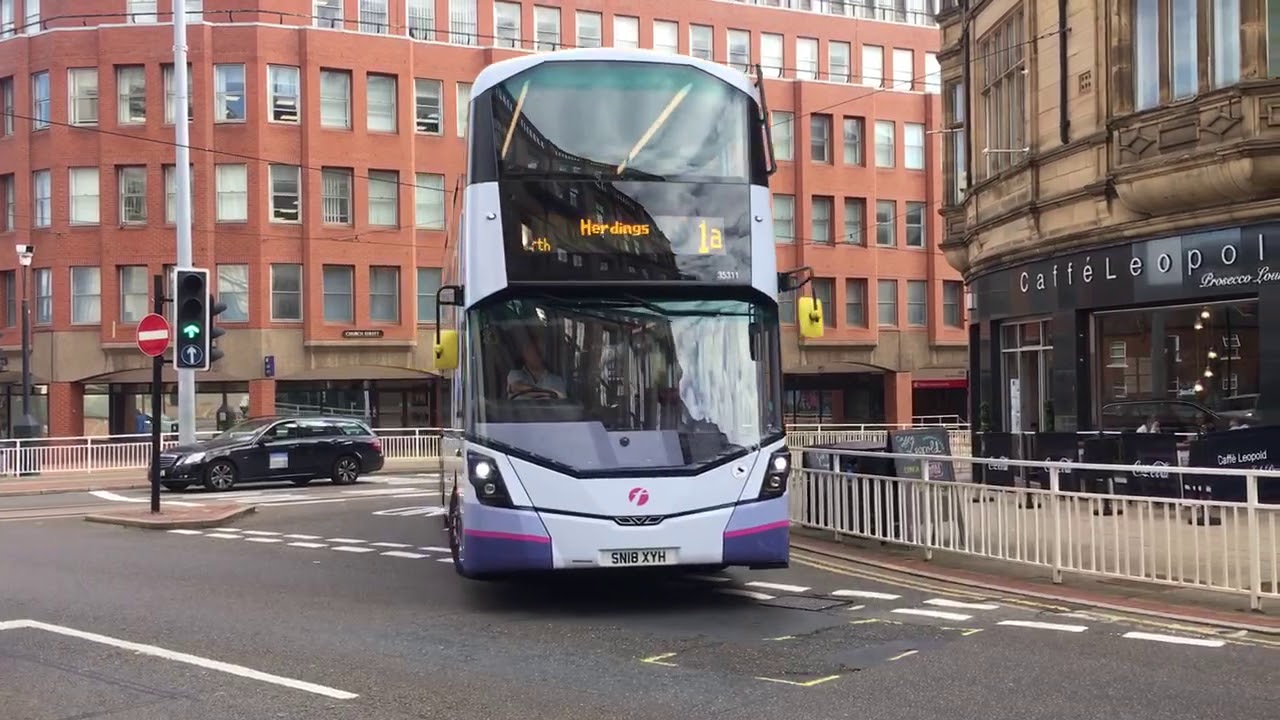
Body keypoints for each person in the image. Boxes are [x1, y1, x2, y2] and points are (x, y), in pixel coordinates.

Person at [506, 331, 567, 400]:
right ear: (525, 353)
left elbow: (563, 403)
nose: (538, 353)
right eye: (534, 349)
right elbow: (517, 387)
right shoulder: (514, 375)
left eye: (541, 350)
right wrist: (551, 393)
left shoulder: (556, 381)